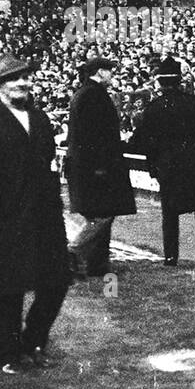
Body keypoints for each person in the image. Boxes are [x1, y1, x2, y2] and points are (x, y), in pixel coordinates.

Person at [0, 55, 72, 374]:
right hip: (4, 221)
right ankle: (9, 355)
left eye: (26, 77)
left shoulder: (41, 120)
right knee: (8, 290)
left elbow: (50, 171)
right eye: (14, 78)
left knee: (56, 283)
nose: (22, 83)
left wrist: (59, 215)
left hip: (44, 219)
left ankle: (33, 341)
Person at [129, 56, 195, 267]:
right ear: (180, 80)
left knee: (169, 212)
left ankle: (171, 255)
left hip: (168, 166)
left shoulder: (154, 107)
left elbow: (143, 142)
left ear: (159, 82)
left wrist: (155, 166)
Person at [65, 55, 136, 278]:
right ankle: (73, 251)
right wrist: (99, 166)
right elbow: (94, 135)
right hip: (95, 167)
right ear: (99, 72)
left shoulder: (85, 93)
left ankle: (96, 263)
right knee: (102, 215)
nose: (112, 74)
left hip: (88, 165)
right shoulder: (92, 95)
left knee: (100, 214)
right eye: (109, 70)